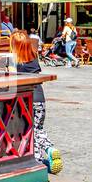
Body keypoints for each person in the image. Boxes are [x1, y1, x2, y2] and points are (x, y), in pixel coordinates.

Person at [11, 29, 62, 173]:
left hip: (26, 100)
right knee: (37, 128)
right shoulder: (33, 58)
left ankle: (44, 153)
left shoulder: (15, 62)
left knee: (29, 130)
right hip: (40, 99)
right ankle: (43, 156)